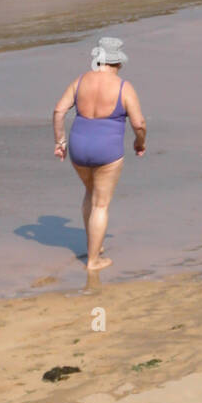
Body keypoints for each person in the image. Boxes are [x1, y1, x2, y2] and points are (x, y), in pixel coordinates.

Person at [52, 36, 146, 272]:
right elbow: (139, 123)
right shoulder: (124, 87)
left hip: (79, 148)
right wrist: (139, 142)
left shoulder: (80, 80)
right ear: (118, 63)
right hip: (107, 151)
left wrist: (60, 141)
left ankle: (95, 245)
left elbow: (59, 110)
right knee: (101, 204)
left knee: (90, 193)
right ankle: (94, 260)